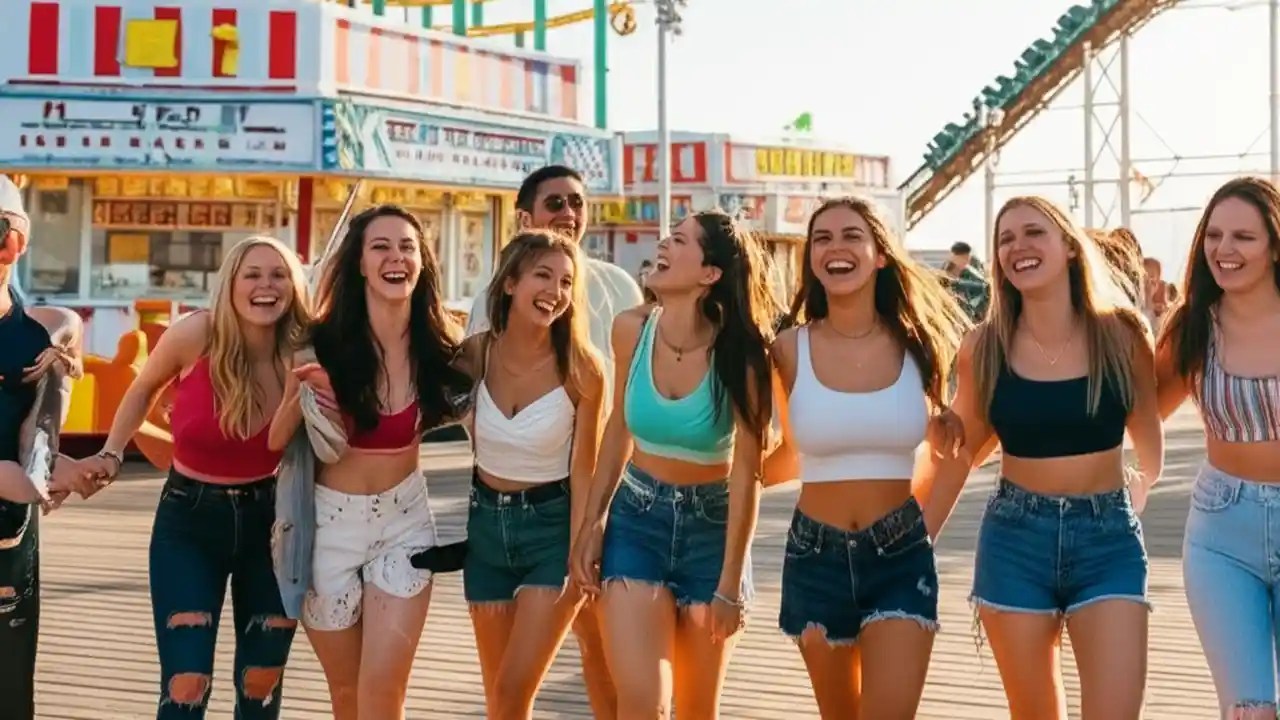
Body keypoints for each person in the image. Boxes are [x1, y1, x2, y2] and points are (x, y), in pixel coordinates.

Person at [921, 195, 1162, 719]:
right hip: (1015, 538)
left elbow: (1147, 430)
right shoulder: (984, 344)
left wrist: (1140, 486)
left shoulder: (1120, 334)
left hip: (1107, 540)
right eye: (1005, 239)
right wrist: (920, 541)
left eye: (1034, 233)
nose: (1018, 247)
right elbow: (961, 453)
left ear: (1070, 248)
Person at [83, 236, 309, 719]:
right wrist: (111, 453)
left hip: (274, 521)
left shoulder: (304, 351)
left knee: (261, 679)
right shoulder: (196, 334)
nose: (266, 286)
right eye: (253, 274)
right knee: (186, 683)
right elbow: (144, 387)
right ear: (230, 283)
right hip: (189, 519)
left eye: (279, 275)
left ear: (295, 286)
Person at [570, 210, 776, 718]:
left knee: (696, 710)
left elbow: (747, 472)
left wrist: (730, 584)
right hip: (636, 522)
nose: (663, 243)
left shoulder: (744, 355)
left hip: (714, 531)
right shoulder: (631, 330)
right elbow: (618, 427)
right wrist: (593, 523)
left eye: (680, 240)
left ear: (710, 274)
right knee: (643, 703)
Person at [269, 205, 471, 720]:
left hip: (405, 523)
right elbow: (275, 441)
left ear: (422, 263)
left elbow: (489, 426)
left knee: (382, 695)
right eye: (380, 246)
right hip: (327, 527)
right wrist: (303, 392)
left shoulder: (444, 346)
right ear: (359, 263)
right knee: (347, 697)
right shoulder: (320, 343)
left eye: (407, 246)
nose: (395, 256)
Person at [773, 197, 970, 718]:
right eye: (822, 238)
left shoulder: (919, 345)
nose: (835, 248)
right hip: (814, 556)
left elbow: (947, 449)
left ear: (880, 254)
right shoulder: (787, 350)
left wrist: (922, 530)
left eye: (850, 236)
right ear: (811, 258)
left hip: (900, 555)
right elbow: (782, 456)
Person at [465, 165, 639, 716]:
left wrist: (588, 533)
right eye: (554, 203)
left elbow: (627, 406)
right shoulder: (480, 334)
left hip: (585, 504)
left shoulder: (618, 289)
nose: (568, 214)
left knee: (601, 650)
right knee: (504, 692)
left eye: (577, 203)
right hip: (489, 519)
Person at [458, 230, 605, 718]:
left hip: (552, 532)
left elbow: (586, 470)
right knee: (497, 693)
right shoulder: (475, 354)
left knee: (513, 690)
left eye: (566, 282)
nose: (556, 292)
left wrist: (583, 546)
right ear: (509, 284)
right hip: (484, 533)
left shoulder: (583, 369)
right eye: (543, 275)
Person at [1155, 176, 1280, 718]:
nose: (1224, 250)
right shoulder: (1192, 327)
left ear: (1275, 245)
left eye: (1244, 237)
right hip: (1221, 535)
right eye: (1214, 235)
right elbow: (1135, 412)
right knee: (1249, 709)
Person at [0, 175, 92, 720]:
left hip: (10, 540)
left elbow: (35, 442)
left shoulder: (40, 333)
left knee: (10, 693)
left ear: (16, 243)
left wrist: (59, 465)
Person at [942, 241, 990, 323]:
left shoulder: (970, 273)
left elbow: (984, 287)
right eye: (963, 258)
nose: (966, 262)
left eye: (967, 259)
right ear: (954, 257)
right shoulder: (944, 275)